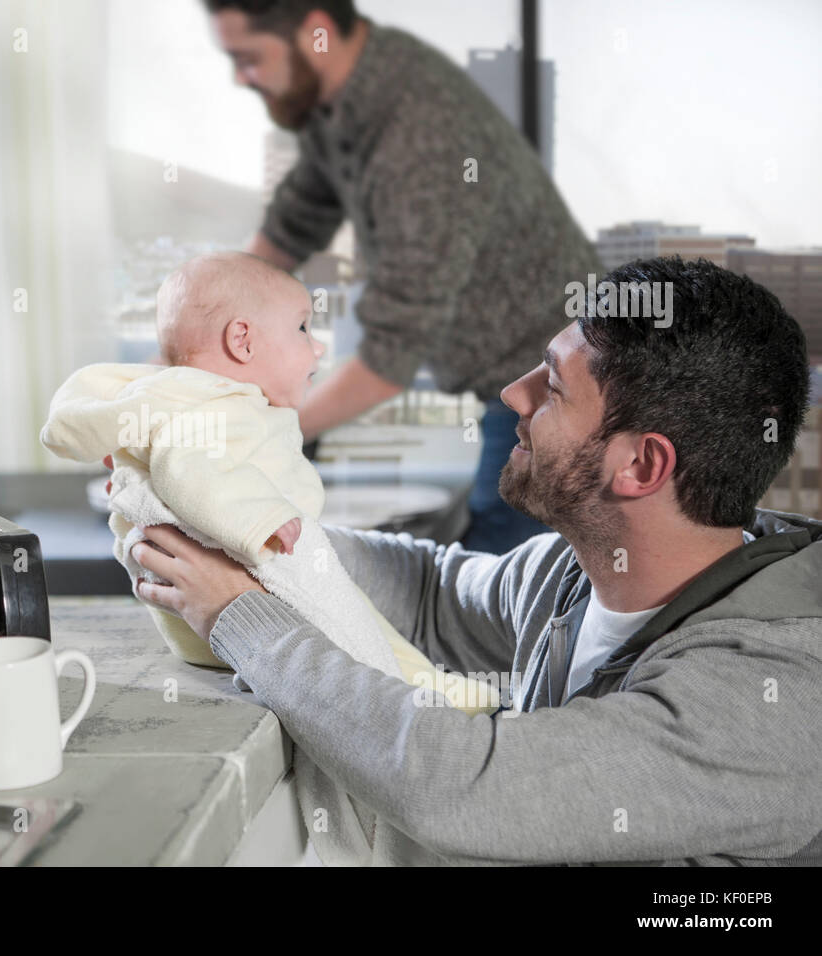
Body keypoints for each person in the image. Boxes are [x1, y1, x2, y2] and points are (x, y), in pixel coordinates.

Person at [128, 256, 822, 865]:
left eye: (551, 386)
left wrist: (240, 616)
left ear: (639, 465)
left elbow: (462, 788)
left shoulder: (769, 693)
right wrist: (238, 526)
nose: (512, 394)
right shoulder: (575, 576)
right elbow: (432, 595)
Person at [204, 0, 602, 553]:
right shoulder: (340, 104)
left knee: (506, 559)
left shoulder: (418, 127)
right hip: (518, 373)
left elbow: (391, 356)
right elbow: (293, 223)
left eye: (248, 58)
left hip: (555, 382)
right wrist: (185, 348)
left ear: (315, 31)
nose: (241, 78)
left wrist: (253, 435)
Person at [40, 251, 498, 712]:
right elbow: (190, 467)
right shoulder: (213, 404)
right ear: (243, 340)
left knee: (366, 619)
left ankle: (435, 688)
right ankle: (429, 702)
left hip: (231, 593)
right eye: (302, 328)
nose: (317, 347)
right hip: (246, 580)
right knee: (355, 632)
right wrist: (261, 517)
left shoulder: (213, 401)